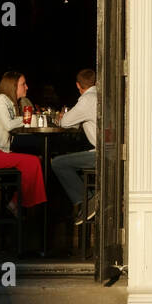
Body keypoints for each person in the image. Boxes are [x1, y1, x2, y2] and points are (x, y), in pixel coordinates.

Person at [0, 70, 47, 215]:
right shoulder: (1, 100)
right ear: (13, 86)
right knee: (32, 162)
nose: (27, 87)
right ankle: (18, 204)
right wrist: (27, 119)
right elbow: (9, 125)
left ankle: (18, 203)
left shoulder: (10, 102)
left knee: (35, 160)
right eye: (23, 84)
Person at [51, 68, 99, 225]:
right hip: (107, 150)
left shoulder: (87, 99)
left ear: (78, 85)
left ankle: (88, 199)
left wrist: (63, 116)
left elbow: (65, 122)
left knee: (58, 163)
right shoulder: (100, 95)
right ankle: (89, 200)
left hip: (101, 155)